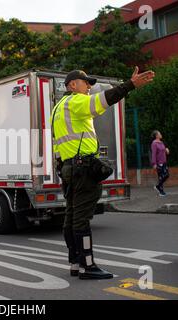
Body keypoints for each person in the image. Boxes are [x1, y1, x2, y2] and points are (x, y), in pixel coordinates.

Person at [52, 67, 155, 280]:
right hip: (83, 170)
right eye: (85, 82)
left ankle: (75, 263)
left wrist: (63, 169)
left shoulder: (58, 108)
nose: (89, 87)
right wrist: (130, 85)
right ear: (73, 85)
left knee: (70, 218)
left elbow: (57, 145)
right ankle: (88, 266)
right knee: (81, 220)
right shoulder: (75, 101)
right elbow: (104, 100)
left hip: (69, 169)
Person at [151, 130, 170, 196]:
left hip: (164, 162)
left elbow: (163, 150)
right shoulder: (154, 143)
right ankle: (161, 191)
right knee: (162, 176)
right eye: (159, 133)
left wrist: (166, 150)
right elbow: (153, 154)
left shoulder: (161, 142)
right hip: (159, 163)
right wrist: (154, 164)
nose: (161, 134)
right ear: (156, 136)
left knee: (166, 175)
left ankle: (158, 187)